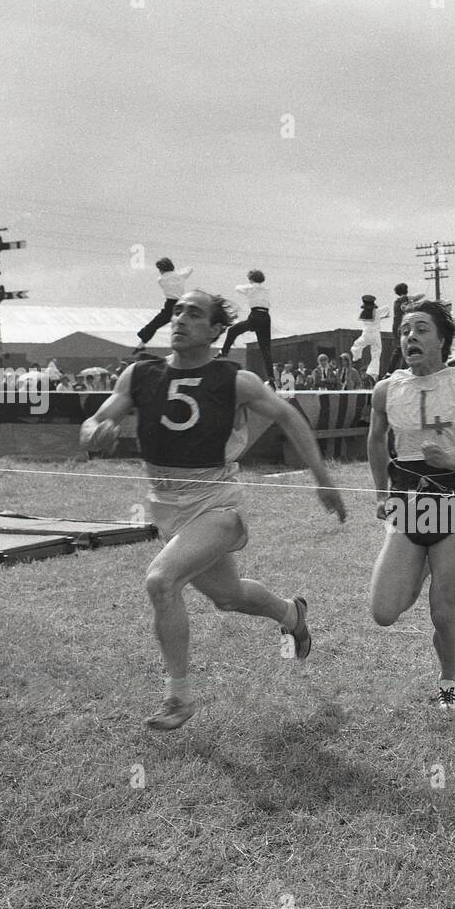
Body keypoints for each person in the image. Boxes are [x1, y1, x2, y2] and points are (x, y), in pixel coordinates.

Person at [80, 290, 347, 731]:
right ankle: (291, 614)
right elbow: (94, 422)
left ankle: (178, 698)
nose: (180, 319)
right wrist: (95, 432)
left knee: (161, 582)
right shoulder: (139, 374)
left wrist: (322, 477)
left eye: (194, 314)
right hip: (168, 507)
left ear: (216, 330)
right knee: (229, 596)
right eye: (177, 311)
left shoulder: (234, 380)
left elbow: (288, 416)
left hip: (217, 504)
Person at [368, 300, 455, 711]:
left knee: (442, 611)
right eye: (404, 331)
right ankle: (417, 567)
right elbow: (374, 440)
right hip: (407, 502)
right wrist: (381, 493)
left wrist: (449, 460)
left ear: (441, 339)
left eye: (421, 329)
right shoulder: (387, 389)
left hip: (453, 504)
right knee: (384, 611)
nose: (410, 338)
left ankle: (449, 683)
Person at [220, 269, 275, 384]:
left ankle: (224, 352)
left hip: (255, 315)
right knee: (266, 349)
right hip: (266, 317)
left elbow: (237, 288)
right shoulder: (266, 290)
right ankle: (271, 378)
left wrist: (248, 285)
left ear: (251, 279)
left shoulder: (250, 288)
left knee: (233, 330)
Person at [138, 257, 193, 343]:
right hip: (181, 303)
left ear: (161, 269)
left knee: (156, 323)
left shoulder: (160, 279)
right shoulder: (180, 276)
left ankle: (142, 343)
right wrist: (177, 272)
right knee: (183, 324)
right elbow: (190, 269)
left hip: (170, 304)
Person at [350, 295, 387, 380]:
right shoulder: (377, 312)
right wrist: (384, 316)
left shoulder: (363, 314)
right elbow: (386, 309)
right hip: (375, 335)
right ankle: (373, 373)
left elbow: (370, 318)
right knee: (376, 354)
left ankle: (356, 359)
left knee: (356, 346)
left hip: (366, 334)